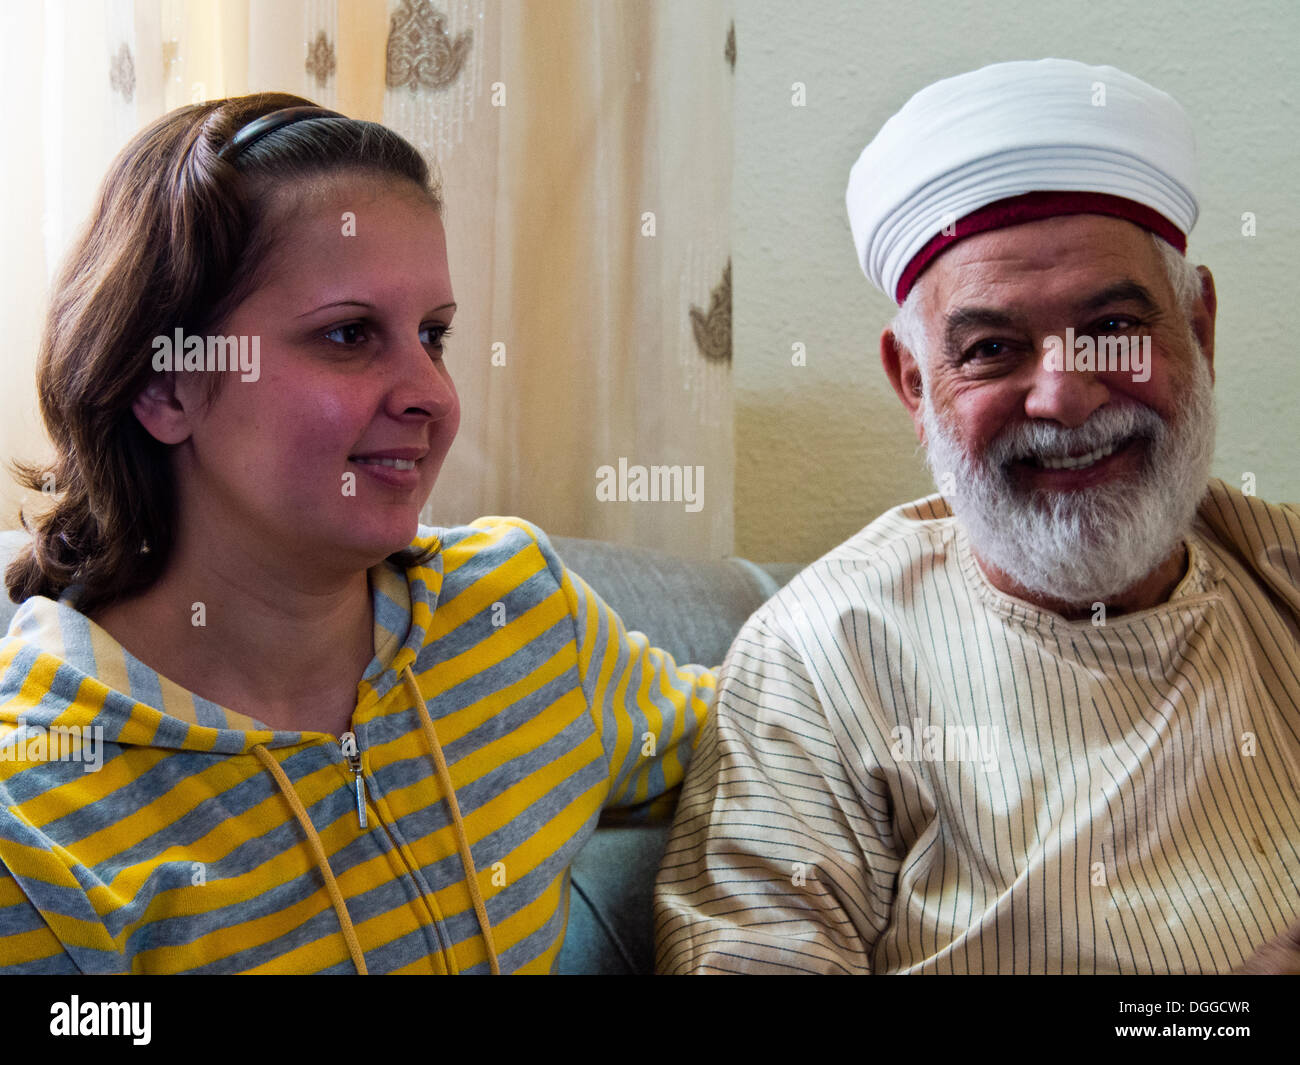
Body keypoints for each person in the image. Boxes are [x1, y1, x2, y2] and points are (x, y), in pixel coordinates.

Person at [0, 93, 713, 974]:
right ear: (167, 386)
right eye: (349, 334)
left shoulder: (518, 614)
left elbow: (778, 728)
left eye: (434, 336)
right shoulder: (34, 819)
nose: (435, 397)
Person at [654, 58, 1300, 974]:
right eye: (993, 349)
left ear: (1198, 330)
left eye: (1113, 327)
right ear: (914, 385)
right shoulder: (820, 663)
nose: (1064, 399)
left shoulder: (1279, 567)